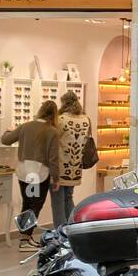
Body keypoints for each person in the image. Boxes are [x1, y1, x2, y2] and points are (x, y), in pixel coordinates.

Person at [1, 101, 60, 249]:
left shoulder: (25, 126)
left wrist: (8, 131)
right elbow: (53, 158)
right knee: (35, 205)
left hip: (24, 171)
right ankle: (25, 239)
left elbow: (6, 140)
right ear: (54, 114)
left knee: (27, 203)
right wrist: (56, 177)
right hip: (39, 173)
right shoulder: (52, 131)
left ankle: (25, 237)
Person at [52, 90, 93, 226]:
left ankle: (60, 232)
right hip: (75, 166)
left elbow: (52, 139)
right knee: (68, 197)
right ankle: (74, 227)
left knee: (57, 201)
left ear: (64, 103)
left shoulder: (61, 119)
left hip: (60, 165)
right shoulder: (85, 119)